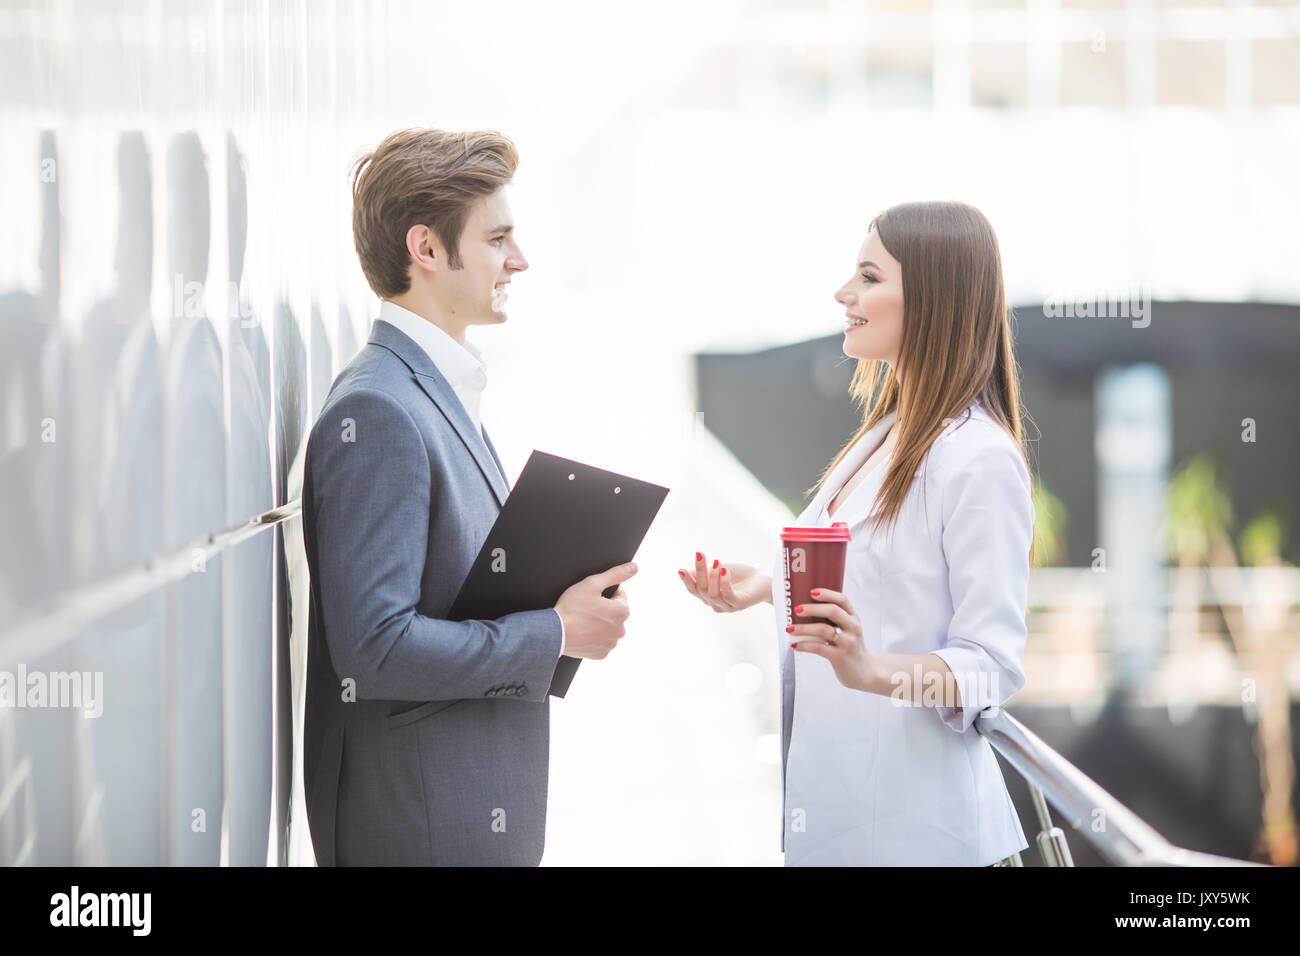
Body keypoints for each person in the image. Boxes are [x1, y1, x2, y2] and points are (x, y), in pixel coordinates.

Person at [301, 128, 635, 866]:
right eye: (498, 239)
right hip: (423, 829)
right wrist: (553, 633)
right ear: (426, 248)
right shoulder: (381, 411)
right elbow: (375, 650)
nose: (518, 260)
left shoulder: (432, 392)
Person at [679, 200, 1035, 866]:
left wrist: (869, 672)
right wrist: (766, 589)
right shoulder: (882, 436)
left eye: (870, 277)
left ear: (932, 298)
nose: (845, 293)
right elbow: (877, 589)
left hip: (917, 834)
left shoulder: (978, 460)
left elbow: (989, 670)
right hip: (845, 818)